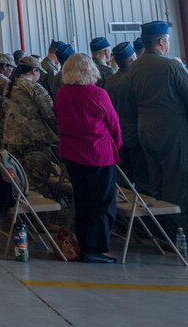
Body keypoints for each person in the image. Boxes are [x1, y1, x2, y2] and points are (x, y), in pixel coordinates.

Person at [53, 53, 122, 263]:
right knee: (102, 202)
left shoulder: (62, 93)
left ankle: (83, 243)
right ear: (90, 69)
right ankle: (95, 248)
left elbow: (57, 117)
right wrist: (116, 146)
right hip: (98, 154)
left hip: (71, 153)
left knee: (82, 199)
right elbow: (113, 123)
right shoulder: (98, 94)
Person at [127, 21, 188, 228]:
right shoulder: (171, 66)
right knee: (177, 182)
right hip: (173, 132)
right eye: (168, 40)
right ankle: (178, 232)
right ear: (162, 42)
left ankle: (159, 228)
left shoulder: (134, 68)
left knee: (156, 180)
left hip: (145, 129)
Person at [2, 59, 59, 193]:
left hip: (12, 138)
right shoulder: (34, 87)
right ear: (34, 70)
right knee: (36, 182)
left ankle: (21, 205)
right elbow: (49, 113)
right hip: (34, 140)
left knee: (19, 181)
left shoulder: (9, 86)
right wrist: (59, 133)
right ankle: (38, 207)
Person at [102, 41, 147, 188]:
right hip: (137, 135)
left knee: (124, 181)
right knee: (143, 180)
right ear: (133, 59)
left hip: (118, 136)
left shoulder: (108, 82)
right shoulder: (138, 79)